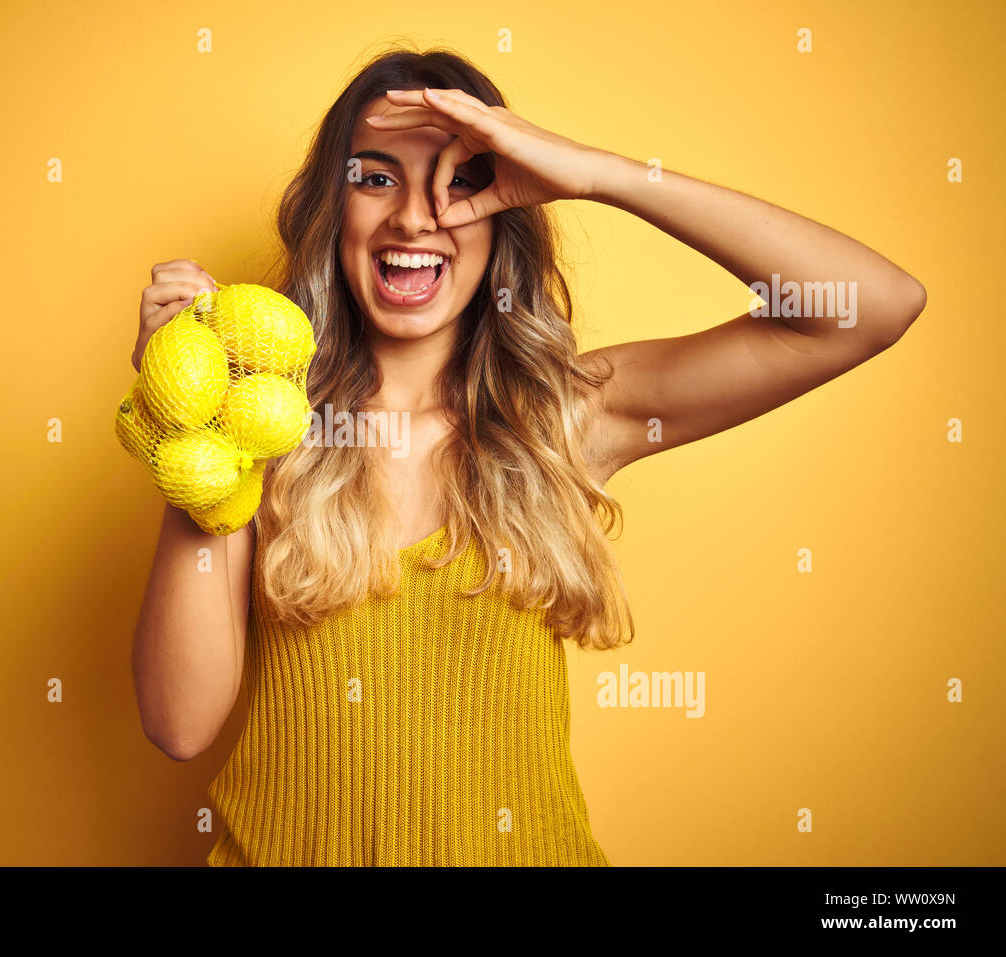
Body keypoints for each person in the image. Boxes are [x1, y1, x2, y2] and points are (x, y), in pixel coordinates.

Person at [130, 47, 926, 866]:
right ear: (331, 214)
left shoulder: (563, 417)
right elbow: (179, 723)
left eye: (461, 179)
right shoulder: (264, 426)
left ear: (509, 206)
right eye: (374, 178)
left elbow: (871, 308)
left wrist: (597, 174)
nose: (414, 217)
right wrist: (193, 428)